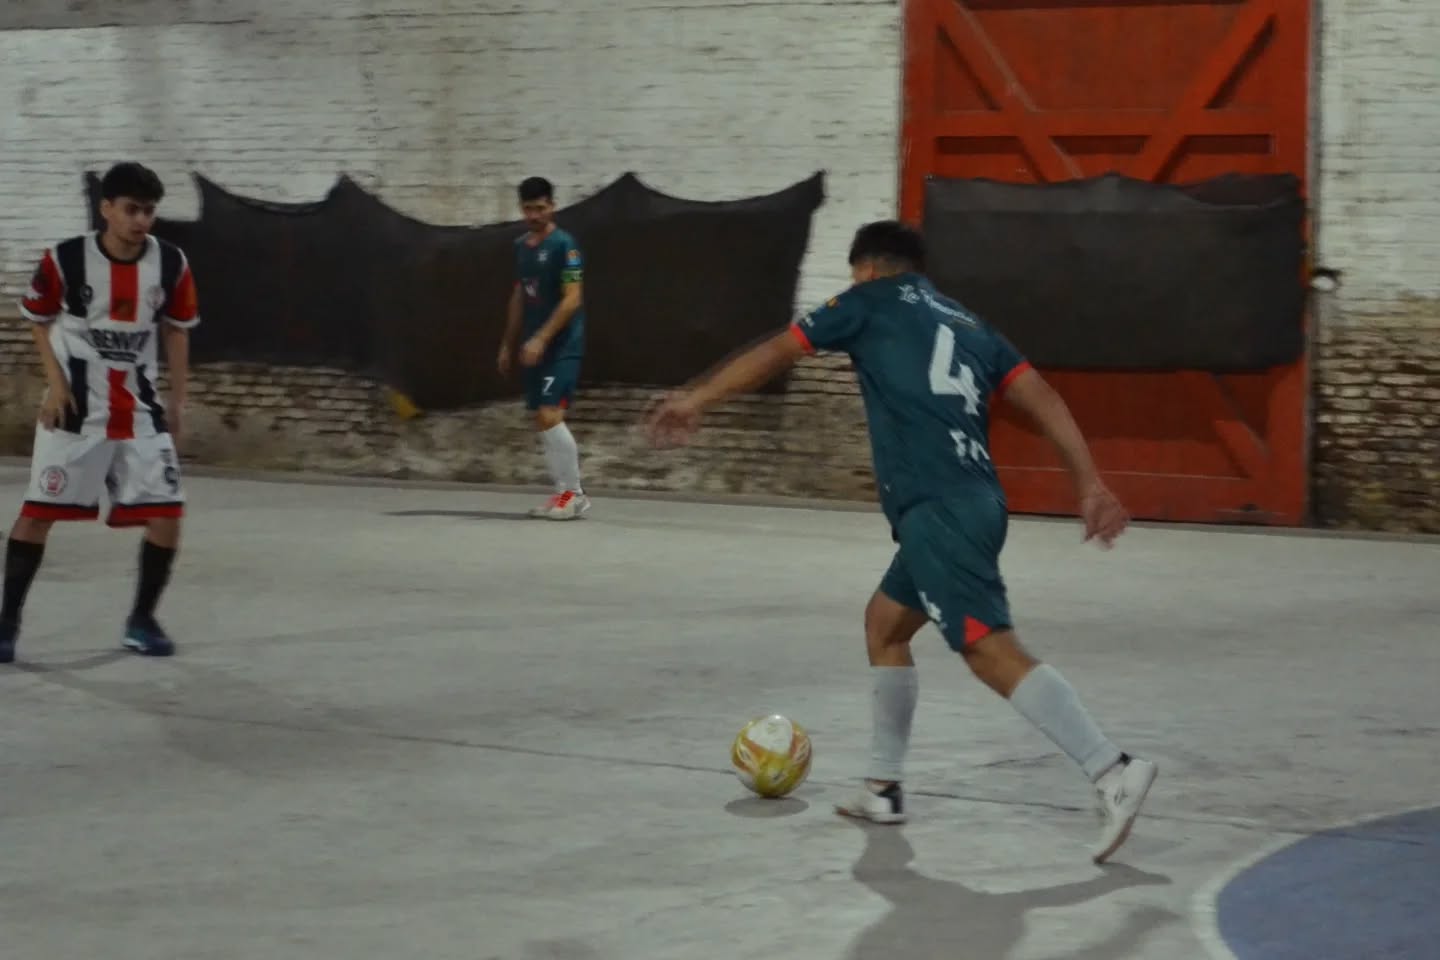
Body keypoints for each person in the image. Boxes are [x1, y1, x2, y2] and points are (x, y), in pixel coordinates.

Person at [645, 220, 1157, 864]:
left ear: (865, 269)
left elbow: (781, 349)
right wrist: (1089, 484)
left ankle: (1112, 770)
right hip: (974, 500)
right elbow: (1043, 397)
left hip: (938, 507)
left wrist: (697, 399)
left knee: (986, 647)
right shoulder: (970, 324)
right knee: (886, 624)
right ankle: (883, 789)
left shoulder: (865, 301)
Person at [0, 161, 199, 664]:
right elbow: (38, 321)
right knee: (37, 515)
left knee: (168, 515)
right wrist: (55, 383)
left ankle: (141, 620)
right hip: (76, 411)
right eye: (131, 210)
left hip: (141, 411)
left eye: (149, 211)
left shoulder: (171, 264)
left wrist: (177, 401)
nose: (141, 221)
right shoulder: (66, 259)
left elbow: (177, 329)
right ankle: (6, 625)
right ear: (106, 208)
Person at [498, 176, 591, 520]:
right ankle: (560, 493)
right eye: (528, 209)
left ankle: (576, 494)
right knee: (541, 419)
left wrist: (541, 338)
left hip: (562, 346)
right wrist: (508, 343)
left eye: (540, 208)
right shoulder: (522, 246)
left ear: (552, 206)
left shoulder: (566, 246)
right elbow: (520, 295)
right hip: (532, 348)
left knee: (551, 414)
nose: (534, 214)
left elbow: (572, 300)